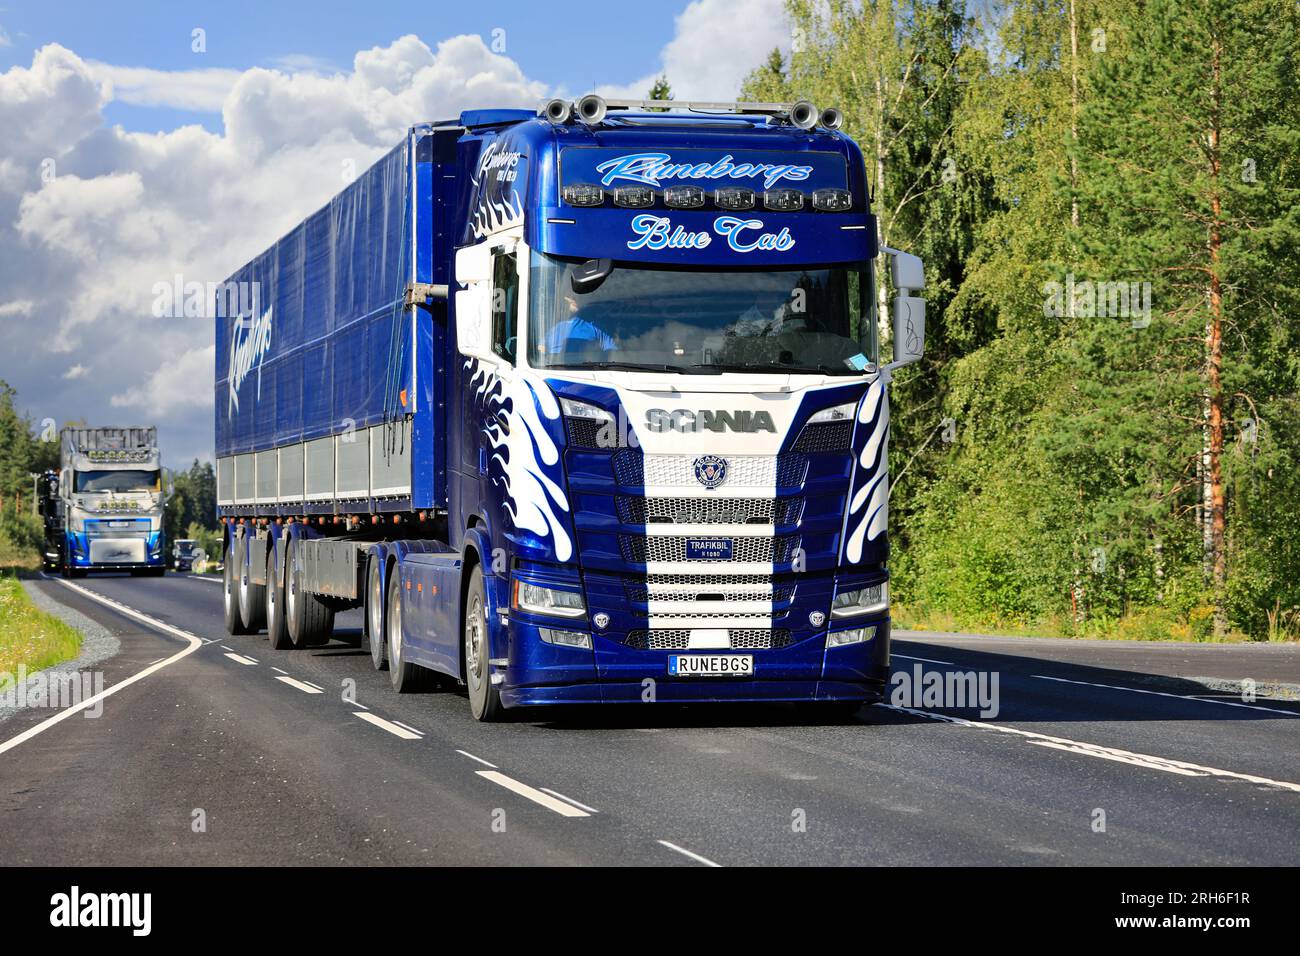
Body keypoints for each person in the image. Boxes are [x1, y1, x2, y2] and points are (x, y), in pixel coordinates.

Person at [543, 292, 617, 356]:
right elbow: (541, 348)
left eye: (574, 301)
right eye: (570, 302)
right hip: (556, 368)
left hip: (590, 367)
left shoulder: (596, 328)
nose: (573, 304)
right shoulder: (557, 328)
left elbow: (611, 351)